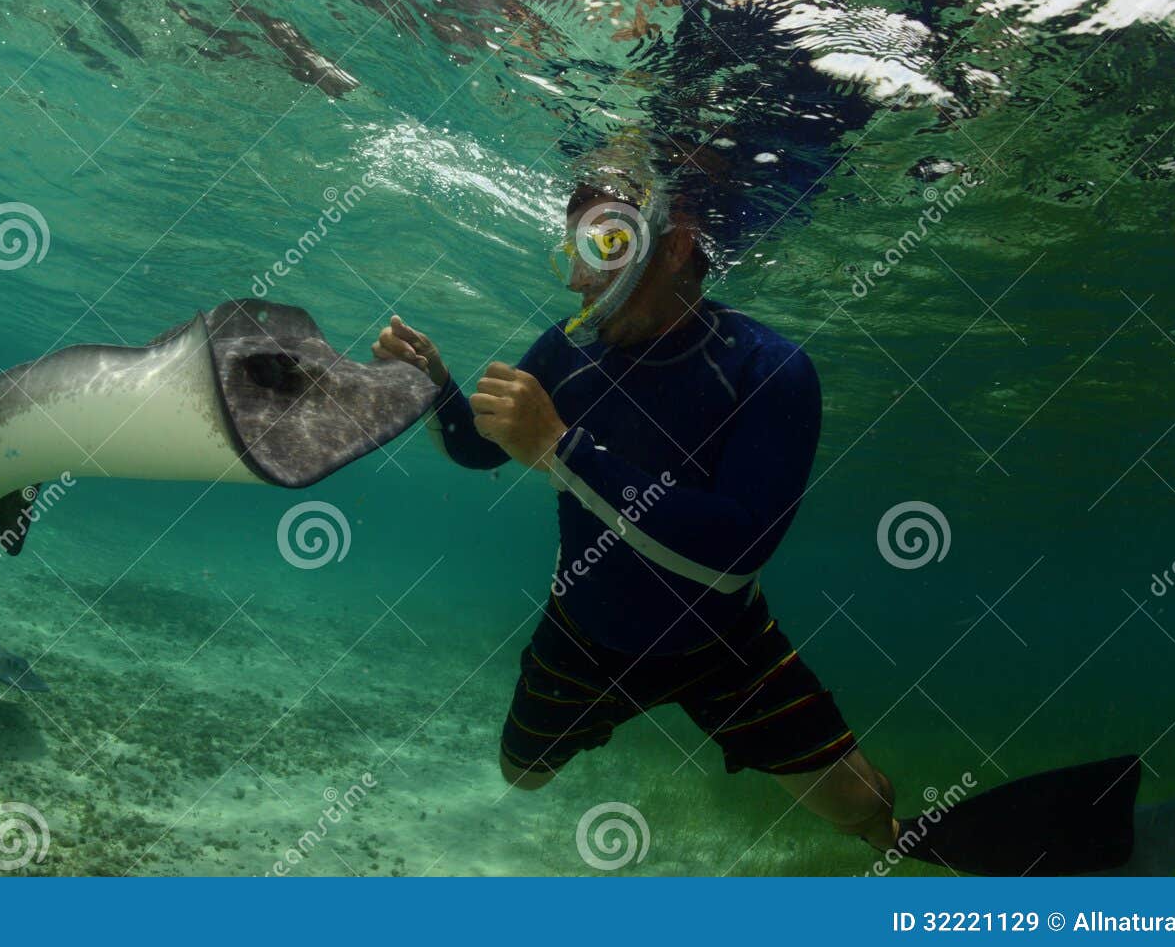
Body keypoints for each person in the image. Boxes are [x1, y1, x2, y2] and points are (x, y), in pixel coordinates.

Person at [373, 159, 901, 853]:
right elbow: (483, 449)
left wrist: (563, 450)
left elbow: (738, 551)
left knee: (861, 806)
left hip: (721, 638)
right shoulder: (568, 349)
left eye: (602, 246)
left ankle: (898, 842)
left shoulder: (769, 369)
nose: (576, 280)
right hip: (584, 629)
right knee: (521, 775)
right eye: (571, 252)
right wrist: (433, 388)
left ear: (677, 243)